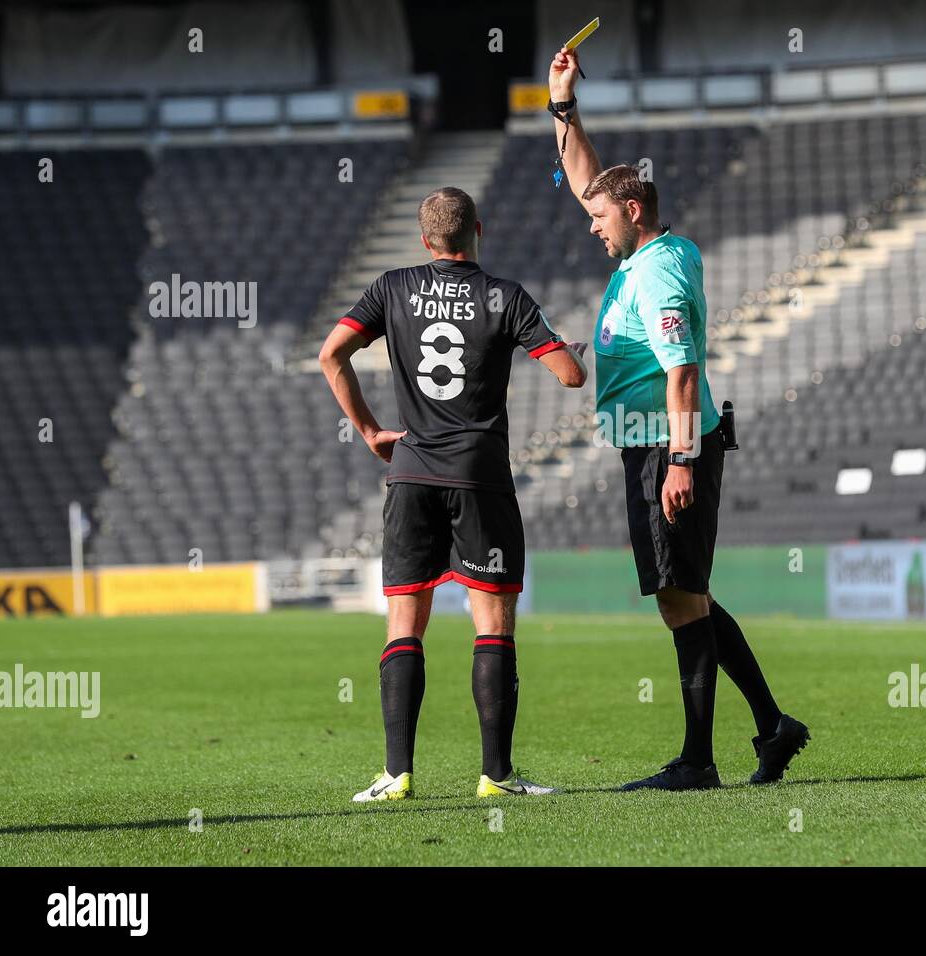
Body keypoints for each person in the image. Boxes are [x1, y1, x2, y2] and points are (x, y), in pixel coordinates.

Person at [548, 46, 809, 790]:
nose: (591, 227)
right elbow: (585, 182)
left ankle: (701, 760)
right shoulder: (648, 254)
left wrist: (682, 459)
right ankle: (770, 727)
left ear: (633, 211)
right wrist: (563, 107)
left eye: (601, 217)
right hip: (651, 444)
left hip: (668, 443)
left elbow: (683, 370)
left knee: (679, 600)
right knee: (683, 596)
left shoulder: (656, 269)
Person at [318, 186, 588, 800]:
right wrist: (567, 349)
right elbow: (570, 376)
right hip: (479, 475)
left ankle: (396, 775)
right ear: (479, 232)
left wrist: (367, 430)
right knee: (491, 621)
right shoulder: (506, 295)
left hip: (411, 470)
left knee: (404, 623)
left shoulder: (392, 288)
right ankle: (496, 776)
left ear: (425, 241)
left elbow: (331, 353)